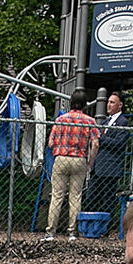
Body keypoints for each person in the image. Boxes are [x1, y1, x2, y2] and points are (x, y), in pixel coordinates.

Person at [42, 89, 100, 241]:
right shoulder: (89, 121)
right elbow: (95, 144)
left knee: (56, 196)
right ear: (85, 104)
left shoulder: (61, 119)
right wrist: (89, 162)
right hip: (79, 159)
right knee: (75, 196)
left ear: (70, 102)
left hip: (61, 158)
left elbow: (50, 143)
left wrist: (58, 149)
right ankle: (72, 231)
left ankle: (50, 232)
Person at [87, 92, 130, 216]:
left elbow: (120, 143)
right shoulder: (106, 122)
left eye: (112, 102)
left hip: (111, 168)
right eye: (108, 102)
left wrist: (101, 138)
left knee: (107, 200)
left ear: (120, 105)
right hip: (98, 167)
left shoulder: (123, 122)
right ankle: (91, 223)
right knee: (91, 197)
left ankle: (105, 227)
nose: (109, 105)